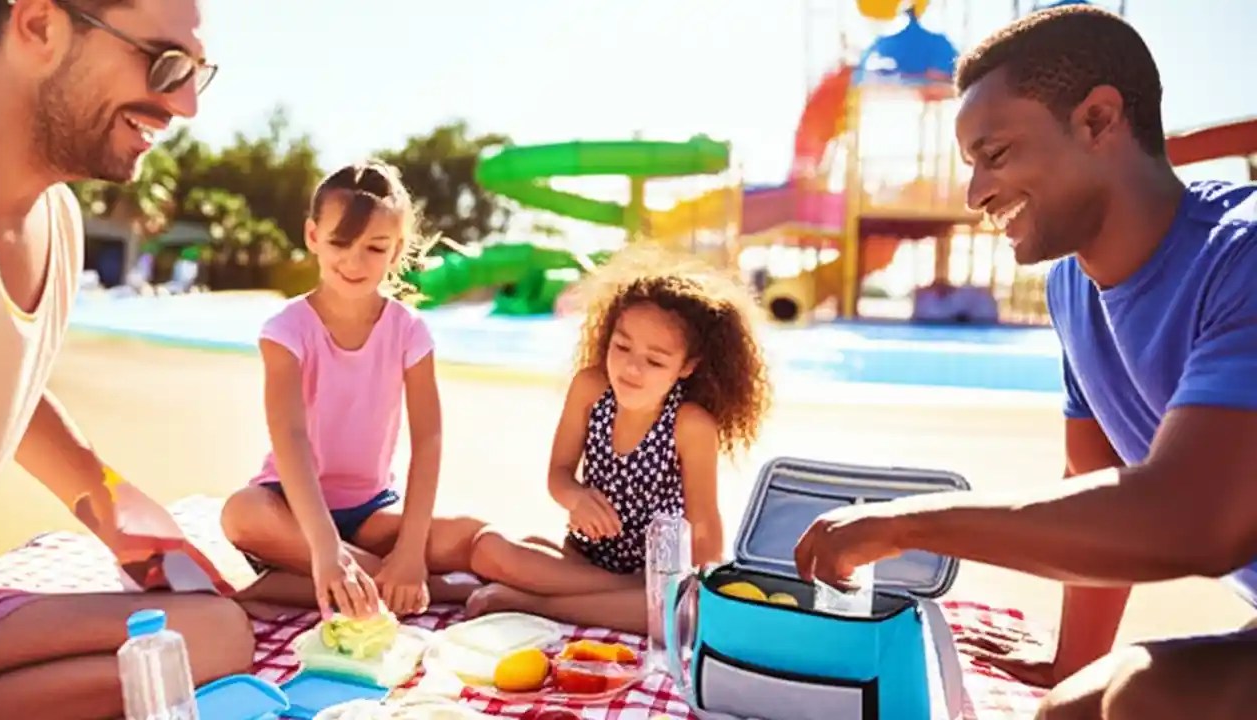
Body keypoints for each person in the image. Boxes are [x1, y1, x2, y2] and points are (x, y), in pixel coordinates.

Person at [792, 6, 1257, 720]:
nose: (976, 194)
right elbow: (1095, 483)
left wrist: (904, 524)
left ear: (1099, 121)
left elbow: (1190, 523)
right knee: (1067, 709)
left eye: (996, 154)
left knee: (1145, 699)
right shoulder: (1070, 287)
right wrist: (1071, 664)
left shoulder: (1242, 257)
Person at [0, 0, 254, 717]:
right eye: (165, 63)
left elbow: (2, 383)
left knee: (209, 636)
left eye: (197, 74)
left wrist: (114, 511)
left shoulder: (57, 224)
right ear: (38, 23)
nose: (186, 104)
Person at [220, 161, 486, 622]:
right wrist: (325, 548)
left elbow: (429, 439)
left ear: (396, 249)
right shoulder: (286, 329)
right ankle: (422, 588)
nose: (354, 261)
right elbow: (290, 436)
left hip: (371, 513)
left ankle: (316, 584)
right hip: (290, 509)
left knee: (472, 535)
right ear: (312, 236)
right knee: (240, 513)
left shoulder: (408, 330)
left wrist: (409, 549)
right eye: (340, 242)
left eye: (375, 247)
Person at [465, 247, 773, 633]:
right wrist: (576, 498)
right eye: (622, 346)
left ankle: (532, 603)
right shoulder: (590, 389)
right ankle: (612, 594)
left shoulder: (690, 425)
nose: (631, 367)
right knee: (489, 549)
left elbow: (706, 534)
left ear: (687, 367)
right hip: (584, 563)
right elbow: (558, 475)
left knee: (684, 613)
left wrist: (689, 585)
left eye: (655, 361)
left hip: (656, 576)